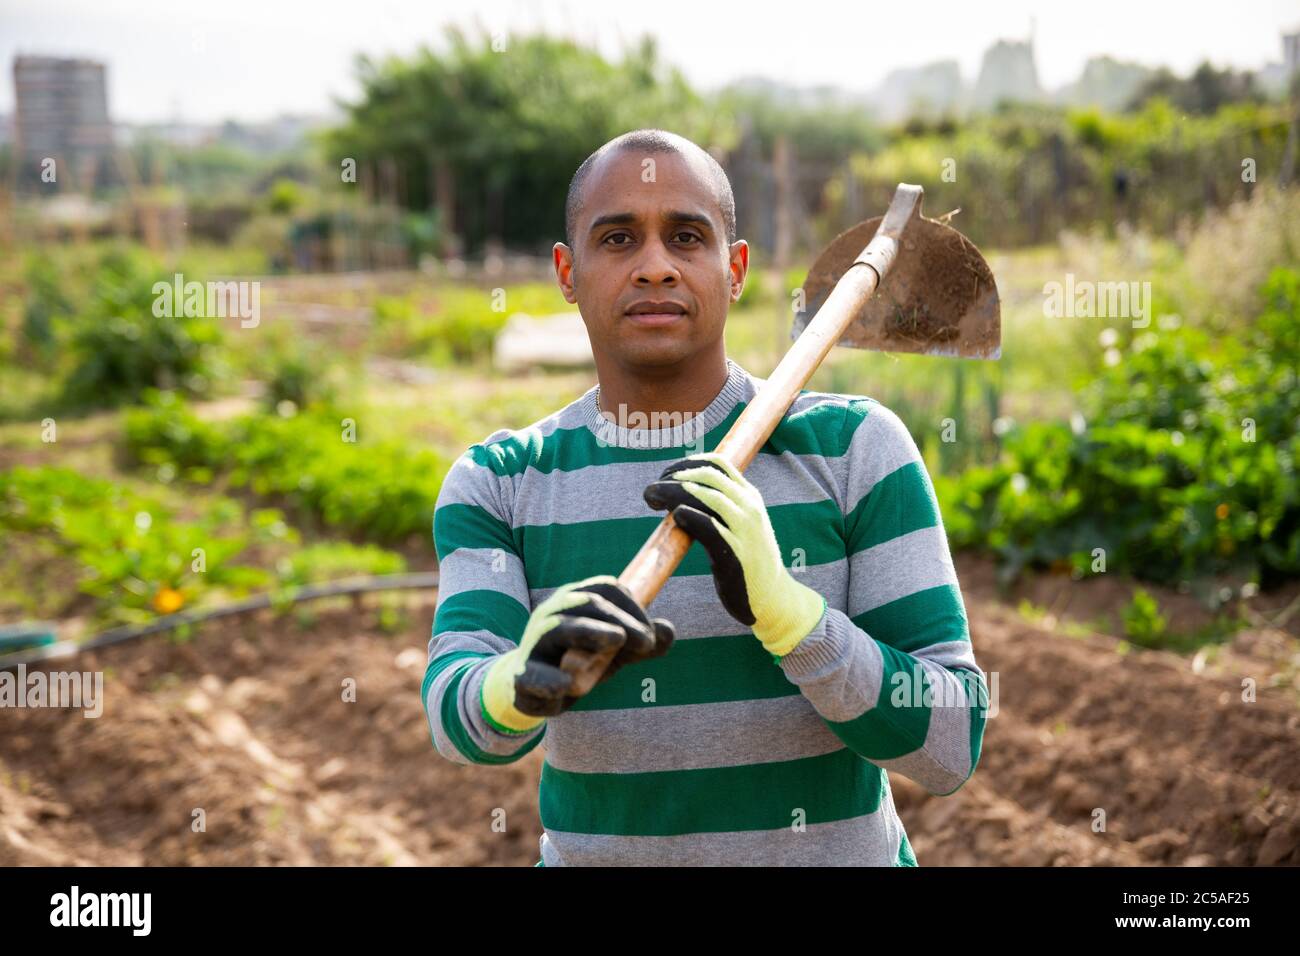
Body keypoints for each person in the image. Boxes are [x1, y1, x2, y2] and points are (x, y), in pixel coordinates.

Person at [422, 128, 988, 866]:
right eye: (619, 239)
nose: (655, 267)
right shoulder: (500, 482)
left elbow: (949, 745)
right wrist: (520, 678)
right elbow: (454, 716)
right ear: (568, 271)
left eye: (687, 238)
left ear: (736, 268)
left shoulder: (855, 451)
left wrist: (789, 616)